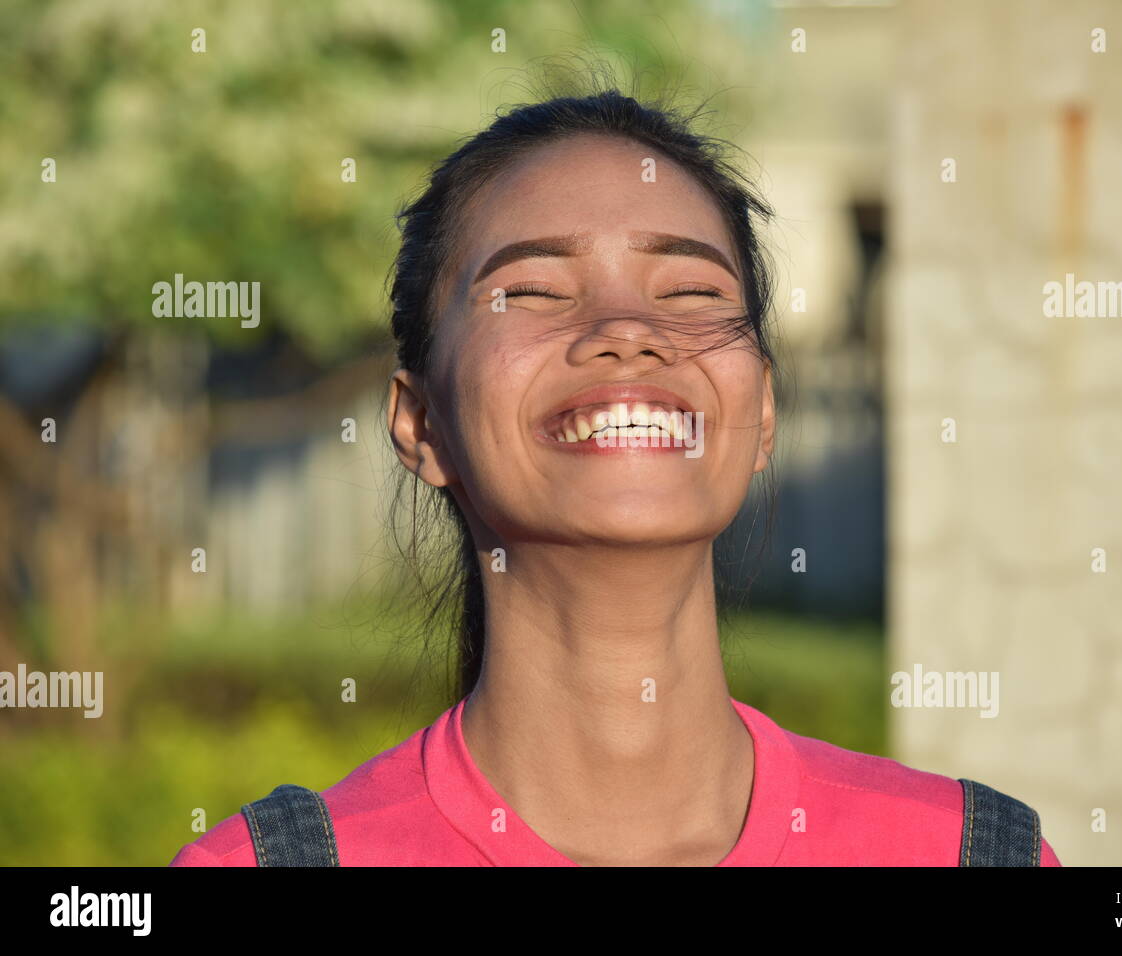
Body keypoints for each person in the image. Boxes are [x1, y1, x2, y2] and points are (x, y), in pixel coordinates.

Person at [169, 85, 1061, 867]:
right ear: (421, 422)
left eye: (690, 292)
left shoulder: (969, 852)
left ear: (764, 416)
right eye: (533, 291)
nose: (628, 329)